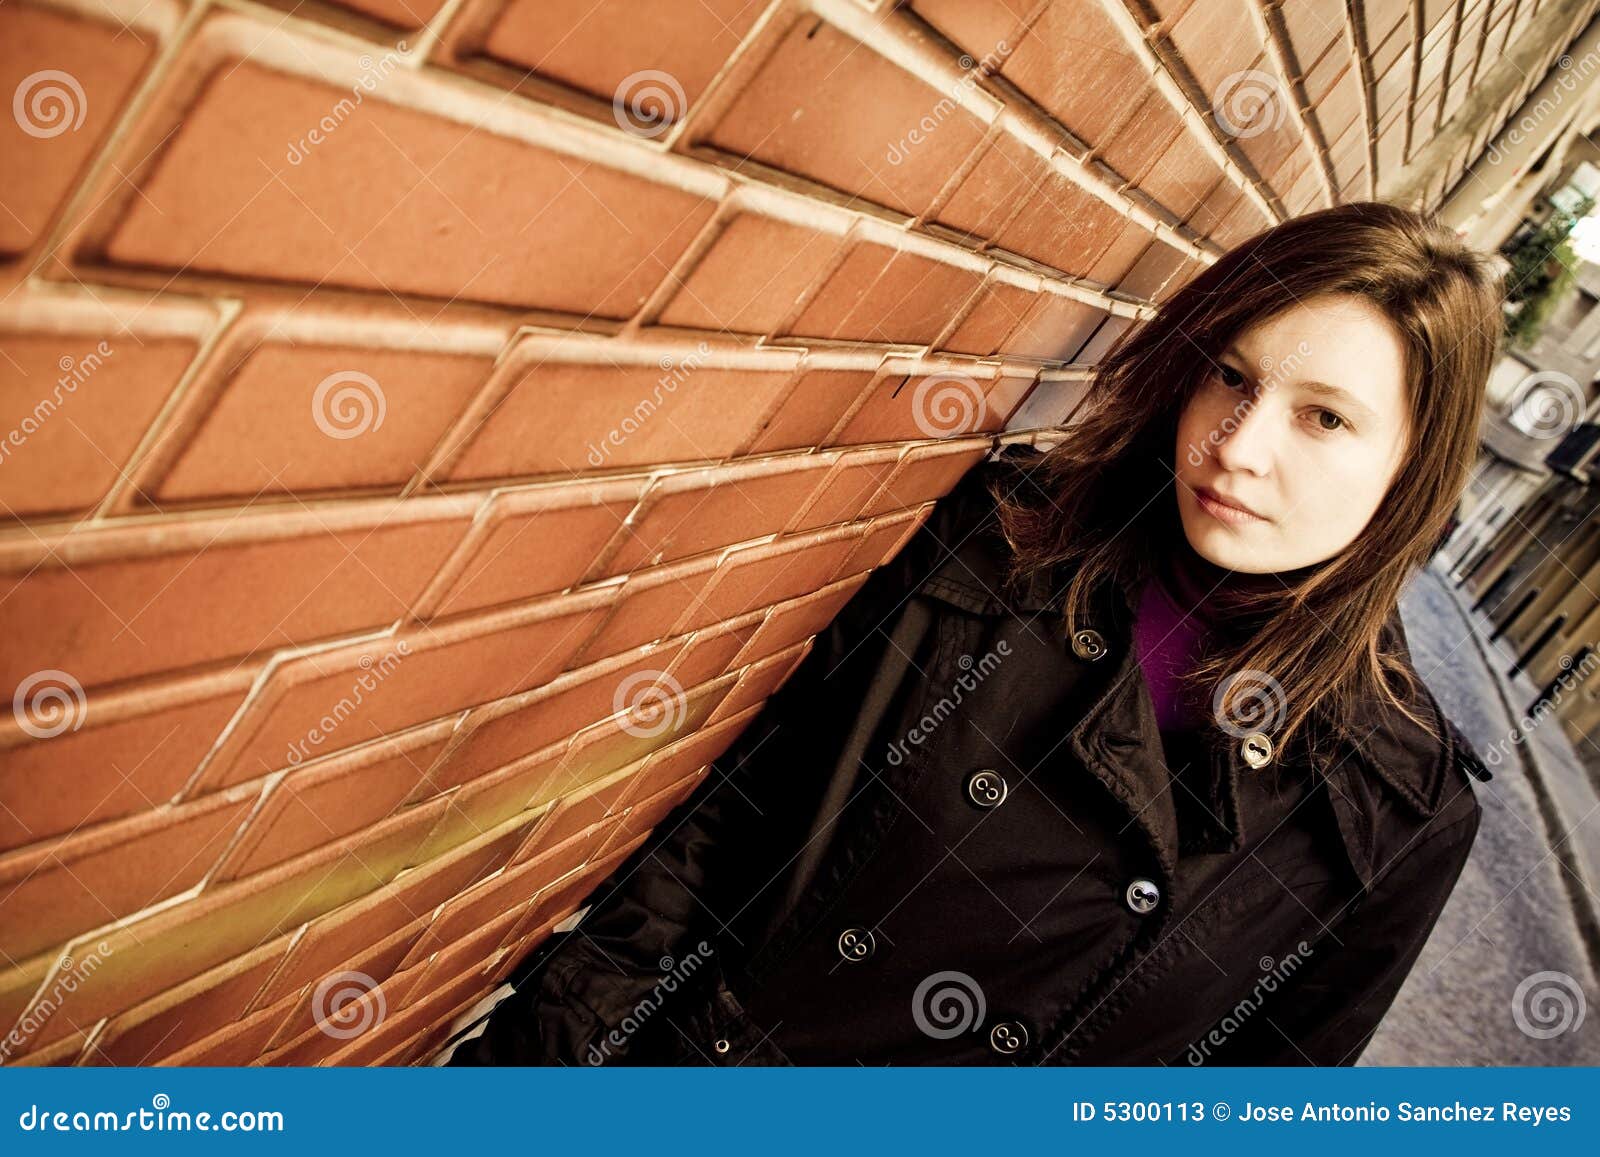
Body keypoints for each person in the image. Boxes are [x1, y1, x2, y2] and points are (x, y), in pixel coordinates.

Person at [448, 200, 1502, 1067]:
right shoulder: (1003, 544)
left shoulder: (1395, 813)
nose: (1238, 447)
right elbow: (729, 826)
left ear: (1412, 467)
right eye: (1231, 376)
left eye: (1324, 417)